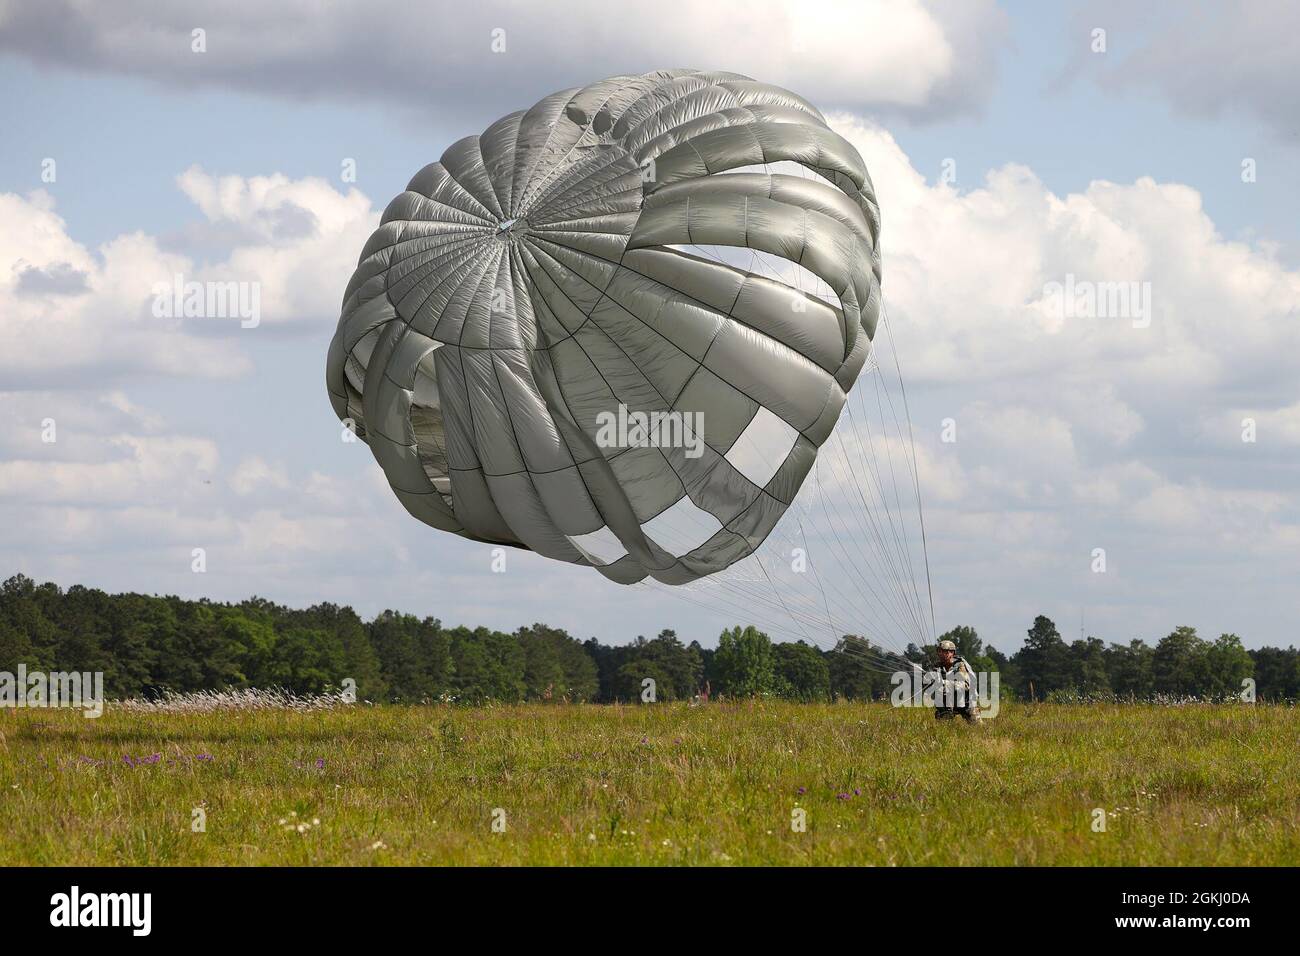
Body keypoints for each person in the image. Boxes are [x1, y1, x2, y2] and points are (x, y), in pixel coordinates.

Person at [932, 639, 982, 723]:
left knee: (977, 727)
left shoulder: (960, 666)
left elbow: (965, 685)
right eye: (939, 652)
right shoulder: (938, 667)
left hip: (966, 702)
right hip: (948, 704)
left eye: (945, 652)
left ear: (952, 653)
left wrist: (945, 683)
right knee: (943, 728)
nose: (941, 654)